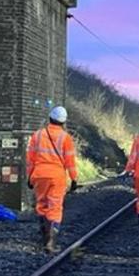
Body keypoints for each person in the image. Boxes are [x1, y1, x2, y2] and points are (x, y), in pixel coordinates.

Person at [26, 105, 79, 253]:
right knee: (54, 207)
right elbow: (70, 162)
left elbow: (30, 159)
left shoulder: (37, 135)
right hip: (57, 177)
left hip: (39, 175)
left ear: (50, 118)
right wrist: (74, 179)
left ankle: (44, 235)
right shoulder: (66, 138)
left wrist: (29, 176)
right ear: (63, 122)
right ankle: (50, 242)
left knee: (42, 204)